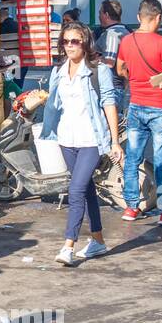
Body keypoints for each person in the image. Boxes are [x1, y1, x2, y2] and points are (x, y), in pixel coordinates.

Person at [39, 22, 122, 265]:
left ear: (85, 42)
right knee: (86, 190)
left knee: (75, 190)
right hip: (66, 139)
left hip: (91, 139)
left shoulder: (98, 70)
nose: (70, 46)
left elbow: (109, 103)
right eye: (66, 41)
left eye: (75, 41)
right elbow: (55, 104)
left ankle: (68, 246)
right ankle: (97, 241)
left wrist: (115, 142)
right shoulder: (58, 71)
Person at [116, 0, 162, 225]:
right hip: (161, 108)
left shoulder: (126, 40)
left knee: (132, 158)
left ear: (138, 17)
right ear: (159, 17)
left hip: (136, 106)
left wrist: (135, 78)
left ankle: (131, 207)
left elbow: (120, 69)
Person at [94, 0, 130, 112]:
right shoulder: (127, 32)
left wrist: (92, 59)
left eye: (100, 12)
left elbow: (109, 62)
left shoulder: (112, 34)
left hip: (112, 87)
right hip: (121, 85)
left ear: (106, 15)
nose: (98, 16)